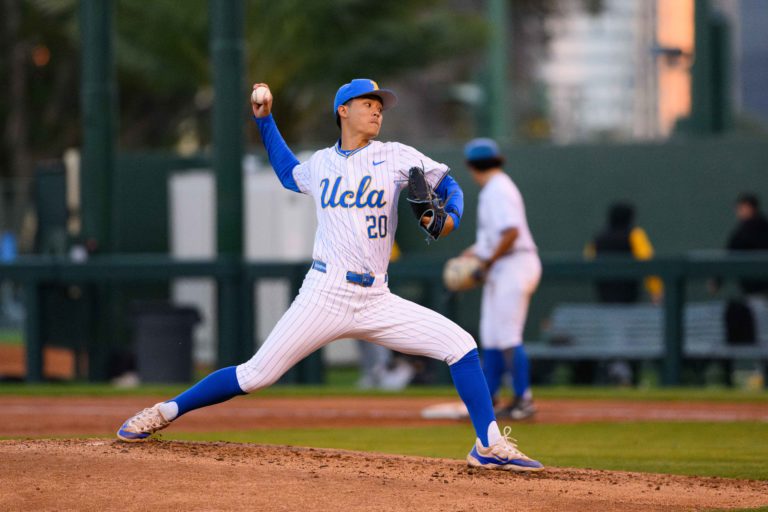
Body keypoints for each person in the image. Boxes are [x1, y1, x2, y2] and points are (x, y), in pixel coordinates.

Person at [116, 79, 543, 471]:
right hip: (325, 292)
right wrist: (264, 121)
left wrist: (447, 218)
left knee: (461, 345)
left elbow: (451, 187)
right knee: (255, 375)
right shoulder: (321, 164)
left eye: (380, 105)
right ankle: (163, 412)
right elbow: (287, 172)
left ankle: (487, 444)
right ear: (343, 110)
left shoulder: (396, 155)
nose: (377, 110)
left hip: (377, 298)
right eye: (367, 103)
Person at [460, 138, 540, 420]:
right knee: (493, 336)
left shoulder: (498, 190)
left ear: (471, 166)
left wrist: (486, 263)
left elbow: (511, 233)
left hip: (514, 264)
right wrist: (470, 256)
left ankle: (524, 400)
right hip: (504, 265)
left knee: (507, 335)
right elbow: (494, 239)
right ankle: (490, 398)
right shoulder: (495, 188)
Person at [584, 202, 662, 304]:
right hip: (629, 294)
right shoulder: (634, 235)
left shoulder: (600, 237)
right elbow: (647, 261)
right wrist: (656, 291)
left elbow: (588, 259)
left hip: (604, 294)